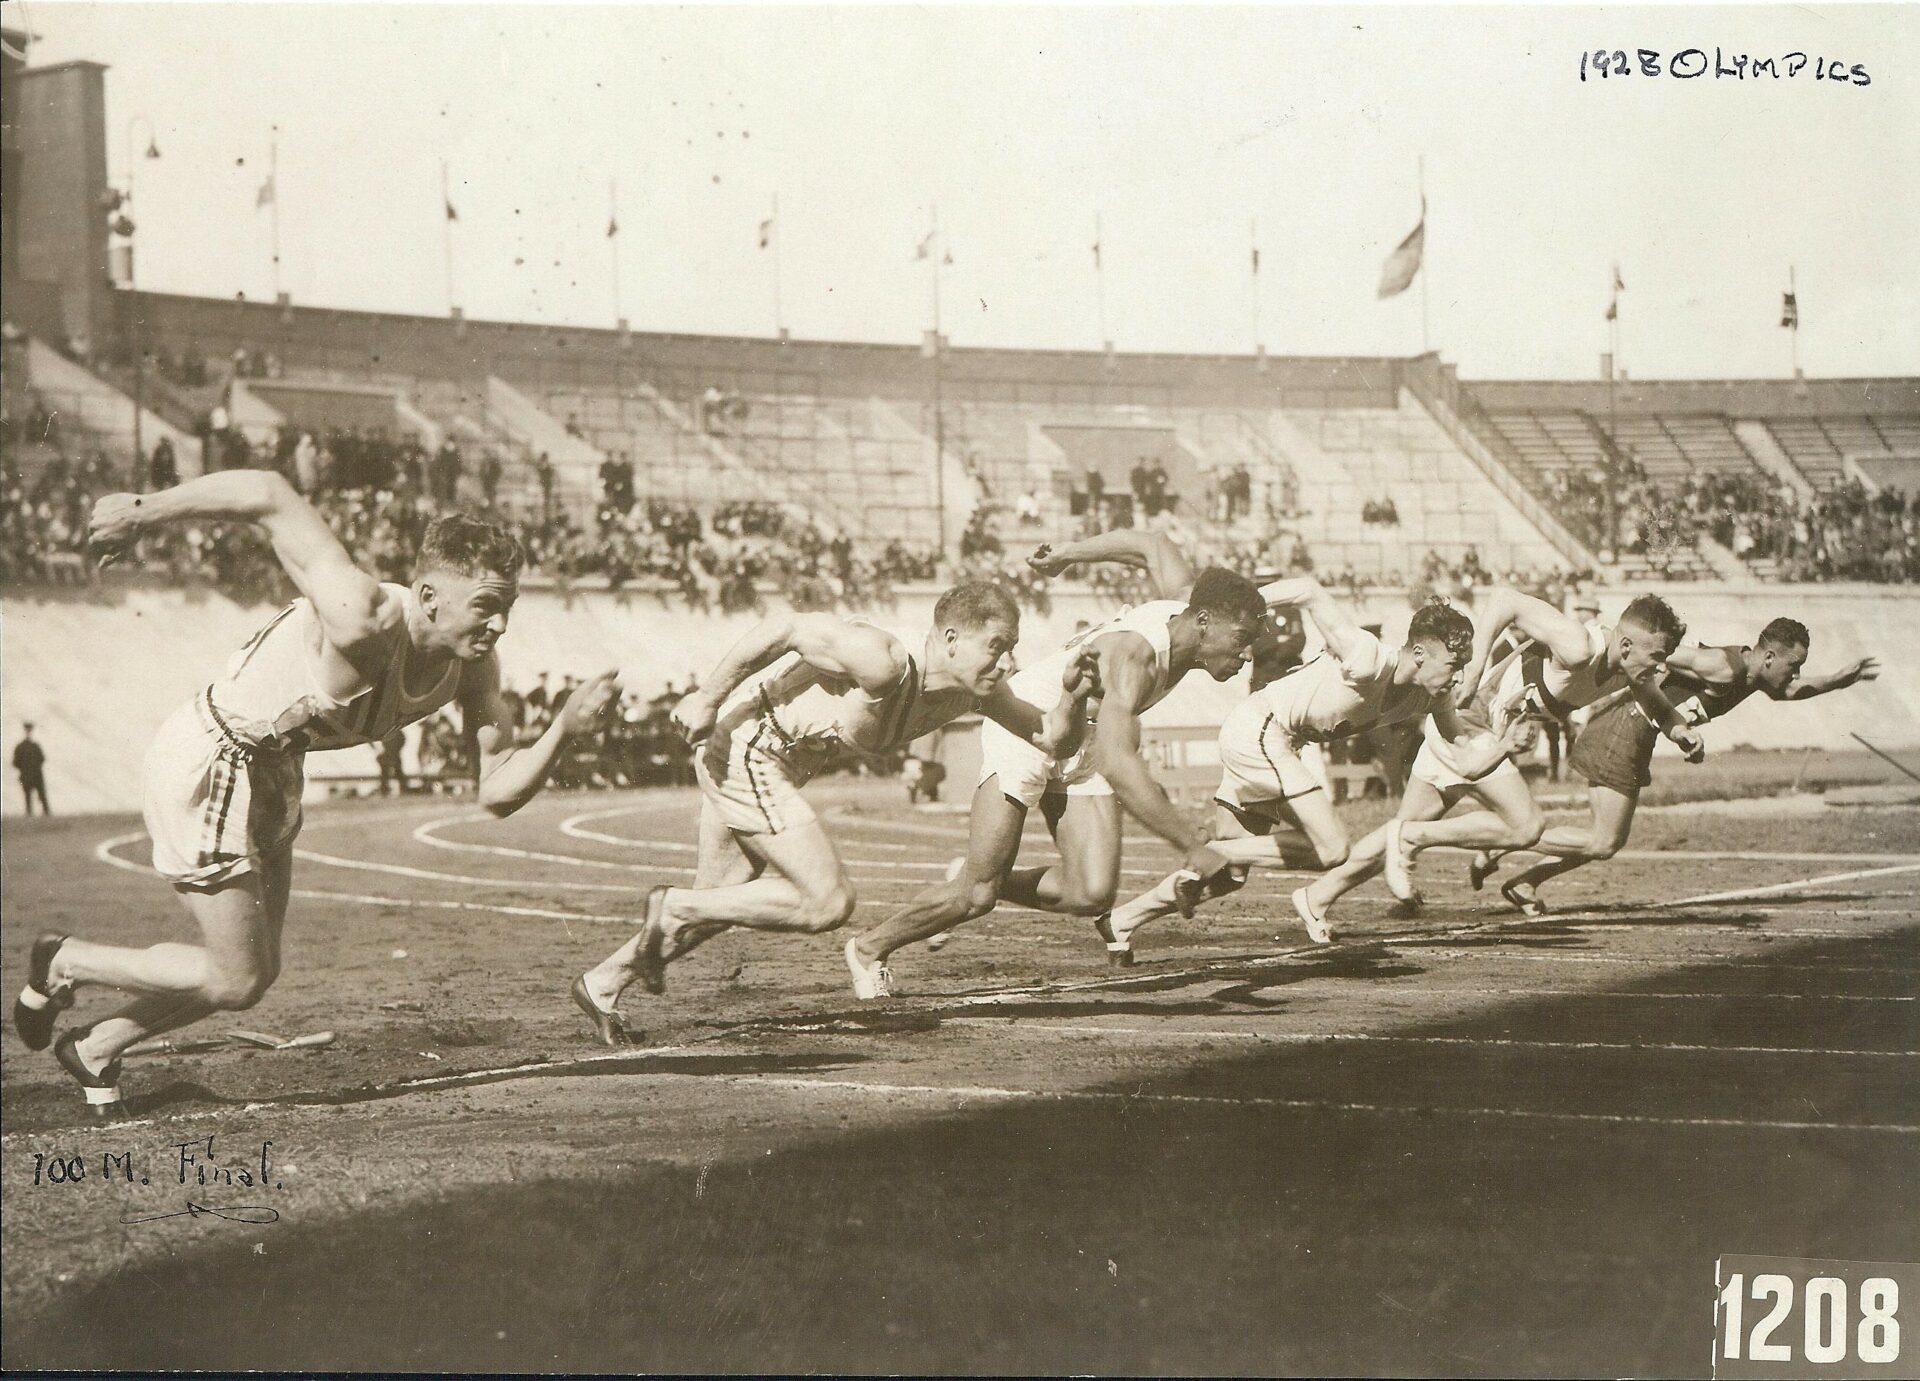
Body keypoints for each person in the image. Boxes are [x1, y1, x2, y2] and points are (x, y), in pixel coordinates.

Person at [12, 473, 619, 1119]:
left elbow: (495, 791)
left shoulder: (473, 667)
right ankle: (67, 960)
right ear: (430, 596)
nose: (500, 623)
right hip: (215, 758)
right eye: (487, 603)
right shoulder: (364, 617)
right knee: (237, 977)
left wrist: (563, 729)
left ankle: (98, 1045)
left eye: (509, 606)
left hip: (275, 771)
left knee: (255, 971)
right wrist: (143, 511)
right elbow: (270, 495)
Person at [573, 583, 1097, 1040]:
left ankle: (602, 984)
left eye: (1012, 649)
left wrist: (1071, 698)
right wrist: (707, 697)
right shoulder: (884, 659)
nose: (1007, 662)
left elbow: (1051, 737)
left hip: (774, 765)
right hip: (746, 751)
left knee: (723, 900)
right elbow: (785, 627)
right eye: (997, 647)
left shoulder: (974, 692)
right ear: (951, 639)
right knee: (826, 901)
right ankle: (672, 907)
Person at [841, 530, 1267, 997]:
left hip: (1080, 738)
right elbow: (1118, 761)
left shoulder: (1188, 604)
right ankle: (869, 948)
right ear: (1204, 622)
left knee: (1090, 894)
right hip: (1030, 724)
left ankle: (979, 871)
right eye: (1242, 639)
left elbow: (1154, 544)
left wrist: (1069, 554)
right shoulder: (1134, 656)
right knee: (976, 896)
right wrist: (1192, 846)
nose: (1247, 655)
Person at [1097, 588, 1497, 962]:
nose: (1460, 677)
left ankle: (1121, 921)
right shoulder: (1368, 655)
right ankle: (1212, 851)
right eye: (1454, 665)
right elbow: (1308, 589)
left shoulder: (1436, 695)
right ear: (1422, 652)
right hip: (1261, 730)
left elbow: (1464, 762)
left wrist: (1506, 745)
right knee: (1333, 848)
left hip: (1271, 739)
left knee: (1230, 877)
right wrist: (1246, 607)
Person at [1324, 588, 1699, 923]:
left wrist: (1678, 729)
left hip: (1479, 729)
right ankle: (1409, 837)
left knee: (1403, 826)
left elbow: (1657, 703)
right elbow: (1504, 600)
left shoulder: (1633, 670)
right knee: (1524, 825)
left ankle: (1317, 896)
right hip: (1472, 722)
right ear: (1628, 646)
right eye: (1658, 656)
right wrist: (1472, 675)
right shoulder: (1579, 645)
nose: (1663, 667)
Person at [1473, 619, 1879, 914]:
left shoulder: (1753, 673)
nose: (1796, 673)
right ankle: (1507, 839)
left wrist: (1838, 682)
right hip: (1624, 729)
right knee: (1604, 841)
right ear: (1770, 656)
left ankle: (1525, 878)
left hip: (1633, 731)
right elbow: (1655, 652)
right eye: (1794, 664)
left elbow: (1788, 691)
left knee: (1604, 840)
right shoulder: (1724, 665)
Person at [14, 723, 50, 816]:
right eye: (27, 730)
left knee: (38, 795)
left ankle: (44, 814)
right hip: (34, 774)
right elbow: (42, 759)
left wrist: (25, 768)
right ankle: (35, 814)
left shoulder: (25, 746)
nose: (28, 732)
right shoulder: (27, 746)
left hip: (31, 774)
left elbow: (15, 763)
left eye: (29, 730)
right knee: (33, 796)